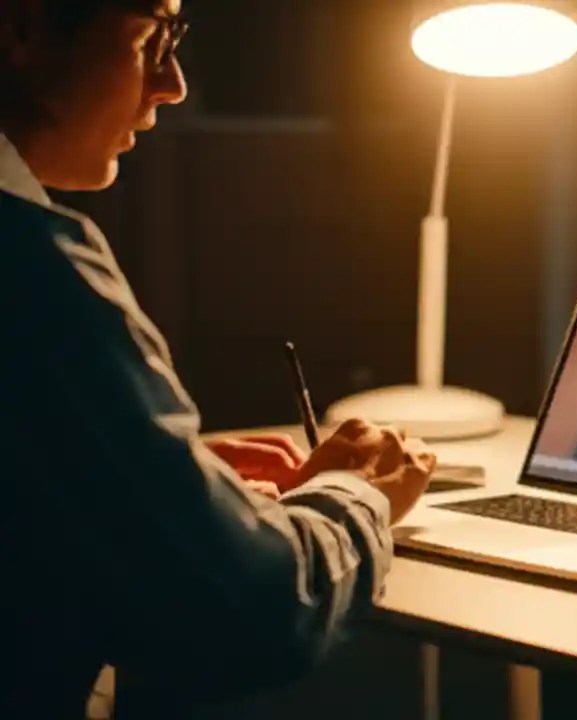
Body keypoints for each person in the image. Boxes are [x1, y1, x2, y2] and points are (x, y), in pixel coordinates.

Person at [0, 1, 435, 716]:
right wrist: (356, 492)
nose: (172, 84)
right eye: (155, 36)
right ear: (23, 27)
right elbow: (250, 609)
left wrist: (149, 476)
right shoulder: (30, 268)